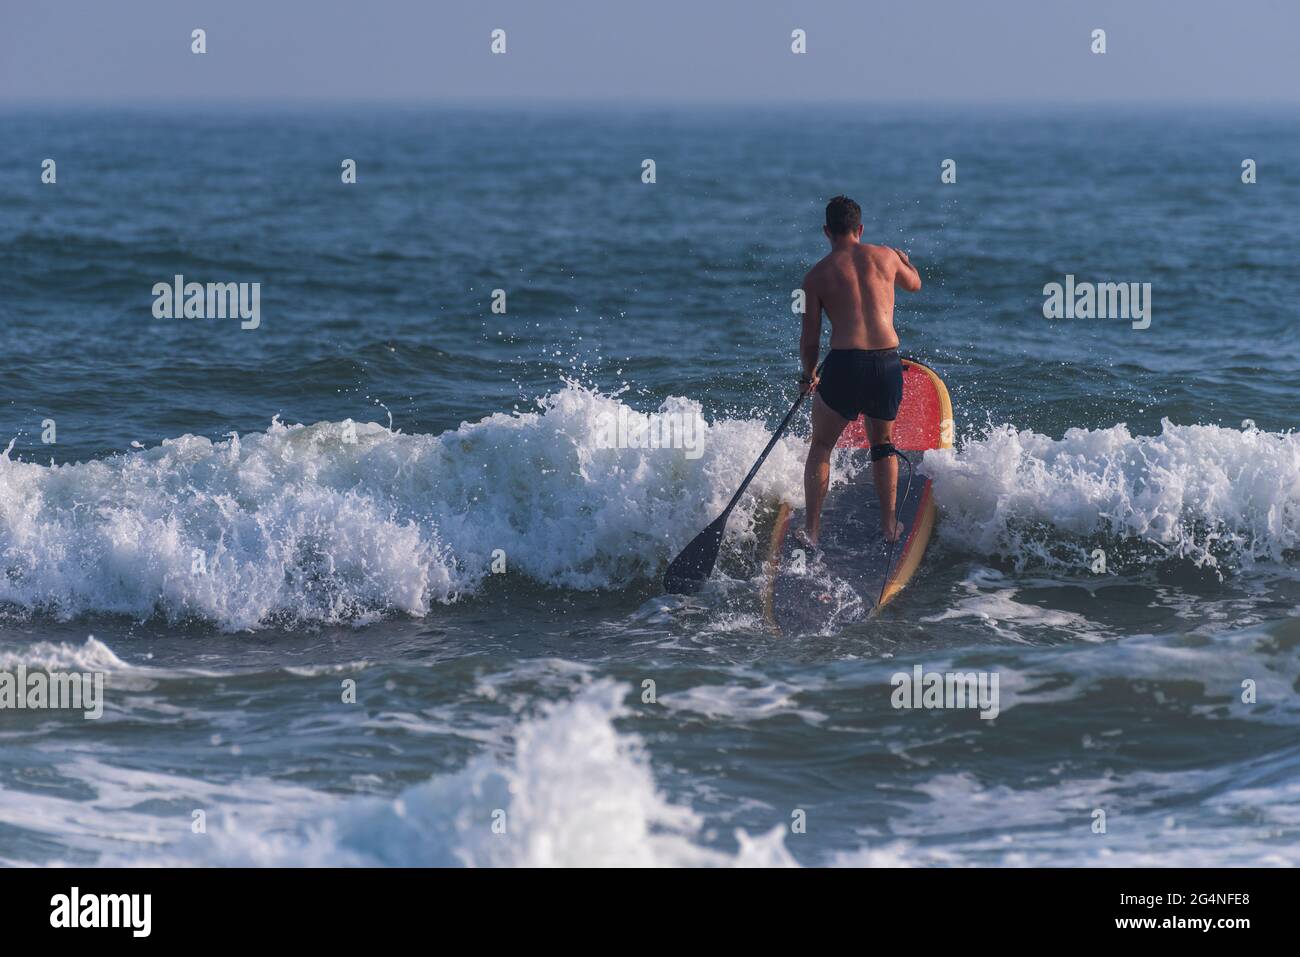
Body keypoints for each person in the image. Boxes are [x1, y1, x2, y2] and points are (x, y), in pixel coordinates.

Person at [798, 195, 921, 546]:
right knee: (882, 444)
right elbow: (915, 283)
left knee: (822, 445)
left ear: (826, 231)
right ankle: (889, 526)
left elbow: (810, 340)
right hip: (886, 363)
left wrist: (809, 377)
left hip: (845, 366)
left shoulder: (816, 276)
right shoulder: (886, 256)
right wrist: (906, 262)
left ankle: (811, 531)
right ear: (860, 229)